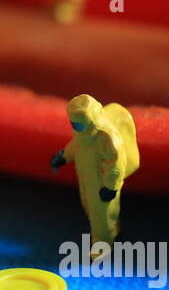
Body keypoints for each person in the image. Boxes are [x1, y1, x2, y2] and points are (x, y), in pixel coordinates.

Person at [51, 94, 139, 255]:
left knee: (103, 213)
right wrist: (64, 156)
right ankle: (110, 233)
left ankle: (104, 242)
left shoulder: (107, 138)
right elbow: (77, 145)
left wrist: (110, 187)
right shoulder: (83, 133)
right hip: (86, 178)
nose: (75, 127)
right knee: (91, 208)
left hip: (101, 182)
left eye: (78, 124)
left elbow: (116, 164)